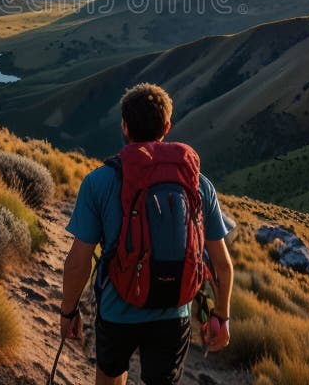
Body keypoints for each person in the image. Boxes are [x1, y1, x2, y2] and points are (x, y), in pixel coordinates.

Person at [60, 82, 233, 385]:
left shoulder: (98, 182)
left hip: (116, 311)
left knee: (110, 378)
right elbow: (222, 264)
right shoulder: (198, 184)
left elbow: (78, 261)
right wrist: (220, 316)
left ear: (124, 127)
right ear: (167, 126)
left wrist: (68, 311)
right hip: (174, 312)